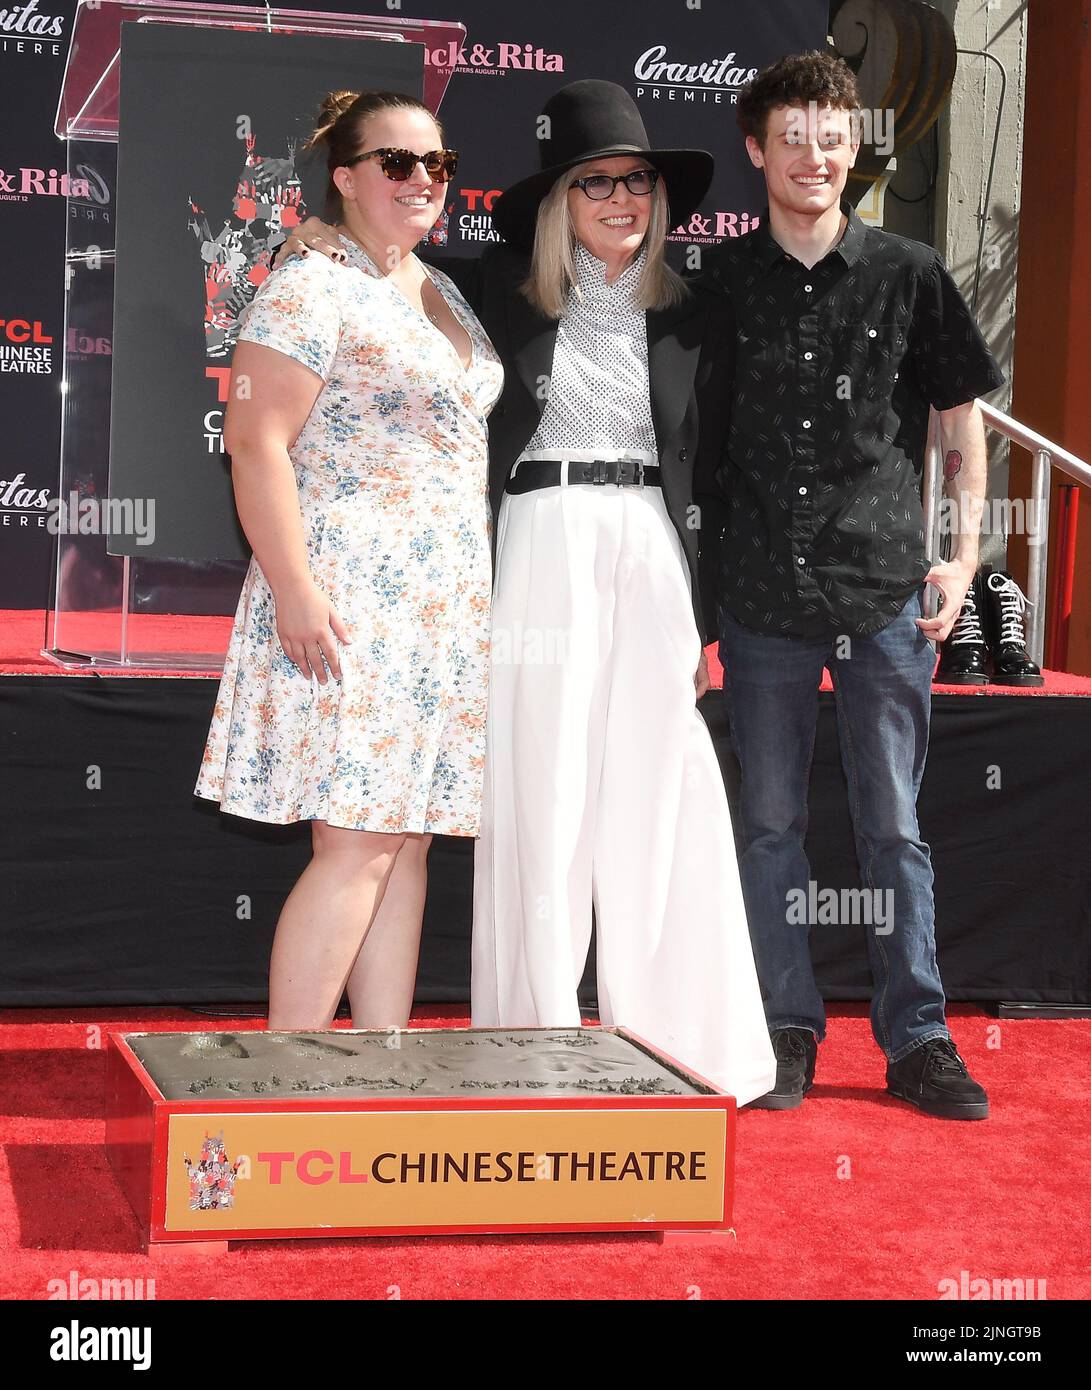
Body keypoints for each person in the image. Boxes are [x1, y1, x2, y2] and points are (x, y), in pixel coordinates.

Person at [278, 80, 776, 1103]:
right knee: (538, 795)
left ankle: (684, 1050)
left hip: (652, 551)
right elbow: (377, 263)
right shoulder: (488, 291)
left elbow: (714, 476)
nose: (619, 200)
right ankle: (530, 1050)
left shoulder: (698, 314)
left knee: (665, 793)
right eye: (594, 182)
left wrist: (705, 613)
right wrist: (311, 244)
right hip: (534, 542)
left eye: (634, 180)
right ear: (556, 201)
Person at [704, 52, 1003, 1118]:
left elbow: (958, 421)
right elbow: (700, 435)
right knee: (770, 827)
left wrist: (963, 555)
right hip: (760, 596)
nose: (813, 157)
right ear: (755, 150)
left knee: (892, 827)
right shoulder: (723, 281)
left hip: (881, 590)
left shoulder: (908, 270)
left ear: (854, 148)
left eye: (830, 138)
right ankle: (781, 1026)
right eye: (790, 137)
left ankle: (916, 1037)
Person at [194, 89, 503, 1031]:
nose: (422, 181)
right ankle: (286, 1079)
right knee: (357, 843)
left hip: (438, 607)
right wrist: (293, 587)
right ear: (346, 176)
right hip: (348, 596)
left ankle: (378, 1062)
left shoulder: (436, 285)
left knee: (402, 843)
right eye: (397, 163)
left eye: (437, 164)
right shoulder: (309, 282)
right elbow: (255, 442)